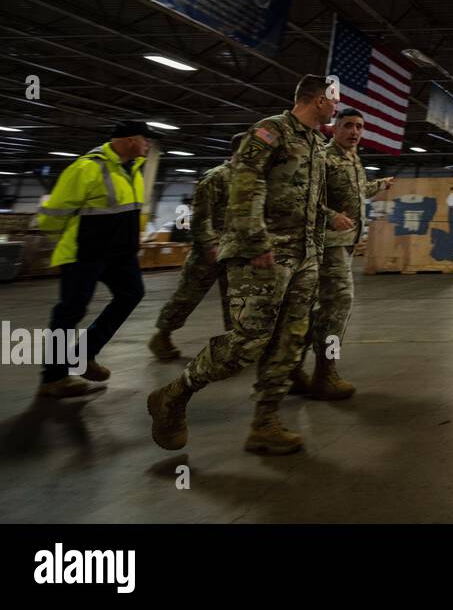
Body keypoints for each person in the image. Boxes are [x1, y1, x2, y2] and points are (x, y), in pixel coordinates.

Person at [147, 76, 352, 455]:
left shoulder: (314, 144)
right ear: (317, 99)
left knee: (290, 341)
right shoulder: (269, 130)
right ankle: (174, 395)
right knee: (248, 341)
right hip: (264, 253)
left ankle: (264, 423)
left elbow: (299, 199)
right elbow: (245, 182)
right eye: (333, 101)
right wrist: (255, 239)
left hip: (304, 255)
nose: (336, 108)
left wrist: (327, 220)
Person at [35, 120, 153, 398]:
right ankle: (54, 378)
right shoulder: (86, 167)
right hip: (84, 253)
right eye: (146, 139)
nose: (149, 145)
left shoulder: (133, 170)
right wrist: (61, 243)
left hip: (120, 255)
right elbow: (54, 215)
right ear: (131, 140)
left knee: (131, 294)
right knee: (71, 311)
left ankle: (84, 353)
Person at [290, 107, 392, 400]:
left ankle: (292, 369)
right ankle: (325, 373)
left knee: (316, 310)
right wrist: (330, 214)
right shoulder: (323, 158)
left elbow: (356, 193)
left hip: (343, 245)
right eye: (348, 126)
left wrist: (380, 185)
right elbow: (300, 196)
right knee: (338, 306)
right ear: (334, 128)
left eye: (359, 127)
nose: (355, 132)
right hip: (327, 245)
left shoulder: (352, 159)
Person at [148, 133, 245, 359]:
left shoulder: (252, 179)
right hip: (209, 251)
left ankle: (236, 342)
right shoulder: (217, 177)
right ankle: (162, 336)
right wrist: (210, 245)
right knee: (188, 295)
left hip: (237, 250)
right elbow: (200, 217)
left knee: (237, 299)